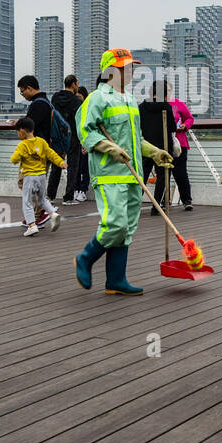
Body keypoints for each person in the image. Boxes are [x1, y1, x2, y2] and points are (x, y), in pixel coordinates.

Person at [74, 49, 173, 295]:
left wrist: (155, 152)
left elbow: (136, 139)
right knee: (115, 224)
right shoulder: (96, 98)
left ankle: (116, 281)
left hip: (132, 174)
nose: (129, 71)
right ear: (109, 71)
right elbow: (85, 131)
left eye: (130, 67)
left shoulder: (129, 100)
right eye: (123, 67)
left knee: (127, 227)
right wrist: (110, 148)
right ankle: (85, 258)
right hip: (109, 173)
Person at [11, 117, 66, 236]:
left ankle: (31, 225)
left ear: (22, 131)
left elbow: (14, 159)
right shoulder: (41, 142)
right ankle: (52, 214)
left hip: (30, 177)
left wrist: (20, 155)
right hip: (41, 176)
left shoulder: (23, 145)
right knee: (42, 199)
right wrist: (61, 162)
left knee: (27, 202)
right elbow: (51, 154)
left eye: (17, 132)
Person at [138, 81, 182, 215]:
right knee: (162, 176)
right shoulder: (166, 107)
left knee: (142, 175)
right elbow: (172, 127)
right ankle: (156, 206)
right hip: (163, 147)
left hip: (146, 146)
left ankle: (134, 205)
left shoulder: (142, 106)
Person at [51, 76, 85, 205]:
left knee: (56, 165)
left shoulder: (55, 97)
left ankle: (51, 195)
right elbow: (80, 121)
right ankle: (68, 197)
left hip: (58, 137)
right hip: (73, 137)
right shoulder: (76, 102)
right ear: (73, 84)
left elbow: (52, 115)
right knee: (73, 167)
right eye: (77, 83)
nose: (78, 86)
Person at [169, 89, 195, 211]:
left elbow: (189, 118)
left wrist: (185, 126)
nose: (166, 92)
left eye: (168, 90)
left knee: (181, 174)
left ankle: (187, 200)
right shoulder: (155, 106)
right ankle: (162, 201)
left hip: (180, 144)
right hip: (162, 143)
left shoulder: (178, 104)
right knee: (163, 174)